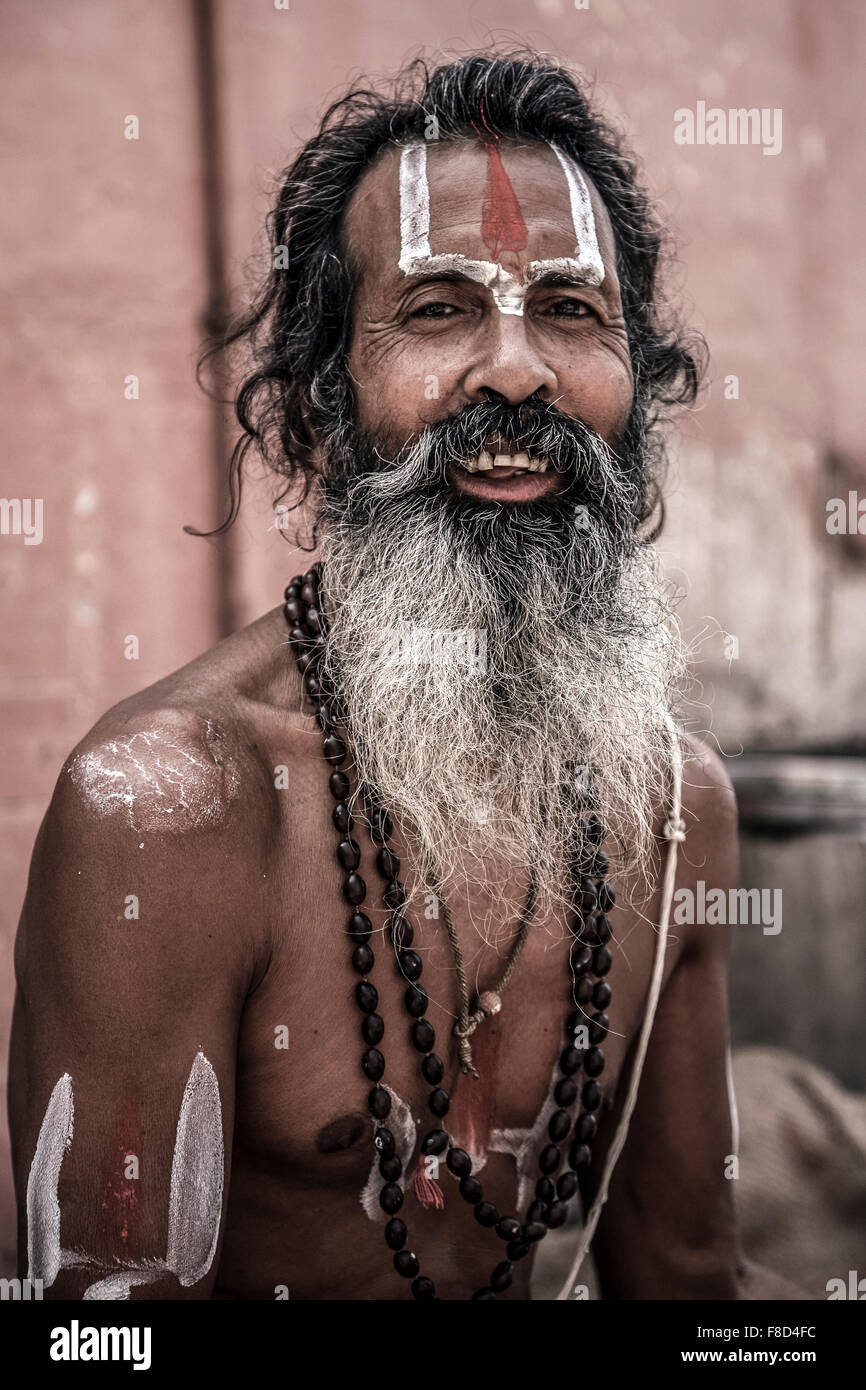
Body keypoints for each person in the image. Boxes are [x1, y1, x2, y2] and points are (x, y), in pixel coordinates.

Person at [9, 52, 803, 1301]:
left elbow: (686, 1279)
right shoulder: (168, 811)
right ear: (324, 411)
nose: (515, 371)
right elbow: (94, 1329)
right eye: (437, 310)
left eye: (569, 312)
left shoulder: (669, 811)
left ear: (635, 401)